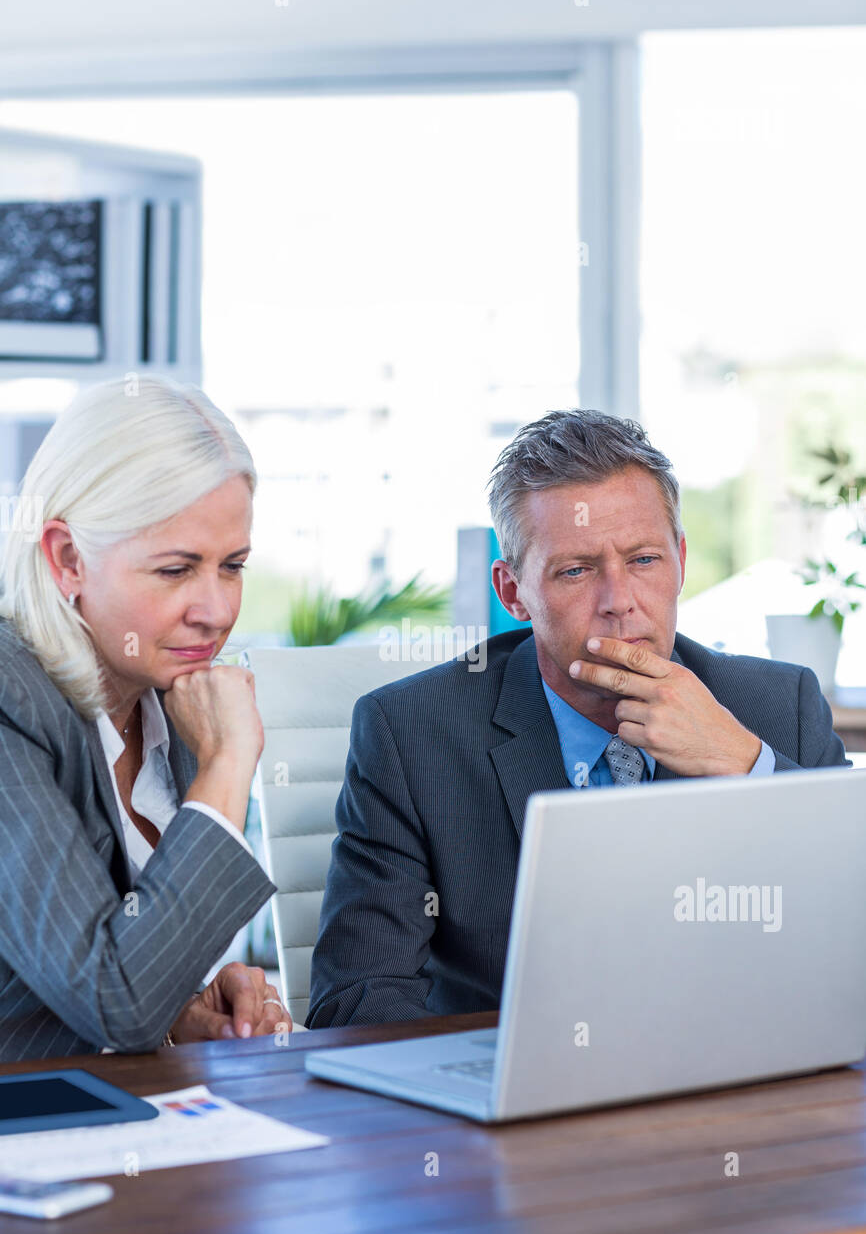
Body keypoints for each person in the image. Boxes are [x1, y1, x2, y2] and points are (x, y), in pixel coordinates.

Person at [307, 409, 849, 1029]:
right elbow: (354, 997)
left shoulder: (779, 708)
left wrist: (747, 768)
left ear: (680, 560)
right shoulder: (409, 733)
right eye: (576, 570)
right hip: (516, 1102)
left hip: (738, 1082)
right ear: (513, 593)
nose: (619, 601)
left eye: (644, 560)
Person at [0, 374, 292, 1061]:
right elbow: (112, 1001)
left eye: (233, 566)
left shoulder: (171, 698)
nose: (216, 611)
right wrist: (224, 769)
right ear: (69, 559)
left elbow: (138, 988)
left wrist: (184, 1010)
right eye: (174, 570)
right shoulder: (11, 702)